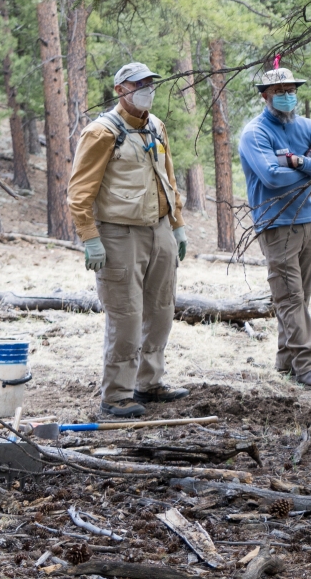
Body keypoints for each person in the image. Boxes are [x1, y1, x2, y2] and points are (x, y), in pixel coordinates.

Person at [67, 62, 188, 419]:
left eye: (151, 83)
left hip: (160, 230)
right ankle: (116, 396)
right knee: (126, 317)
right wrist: (90, 238)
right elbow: (79, 192)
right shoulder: (101, 132)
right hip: (119, 235)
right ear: (121, 89)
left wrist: (177, 225)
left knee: (162, 310)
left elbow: (170, 179)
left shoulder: (156, 126)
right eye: (139, 84)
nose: (147, 89)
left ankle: (149, 384)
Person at [239, 65, 311, 390]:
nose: (286, 96)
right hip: (275, 225)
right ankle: (307, 366)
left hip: (306, 220)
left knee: (300, 296)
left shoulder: (306, 125)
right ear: (265, 95)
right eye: (279, 92)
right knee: (290, 297)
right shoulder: (256, 133)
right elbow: (271, 176)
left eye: (291, 90)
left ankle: (286, 362)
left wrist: (296, 161)